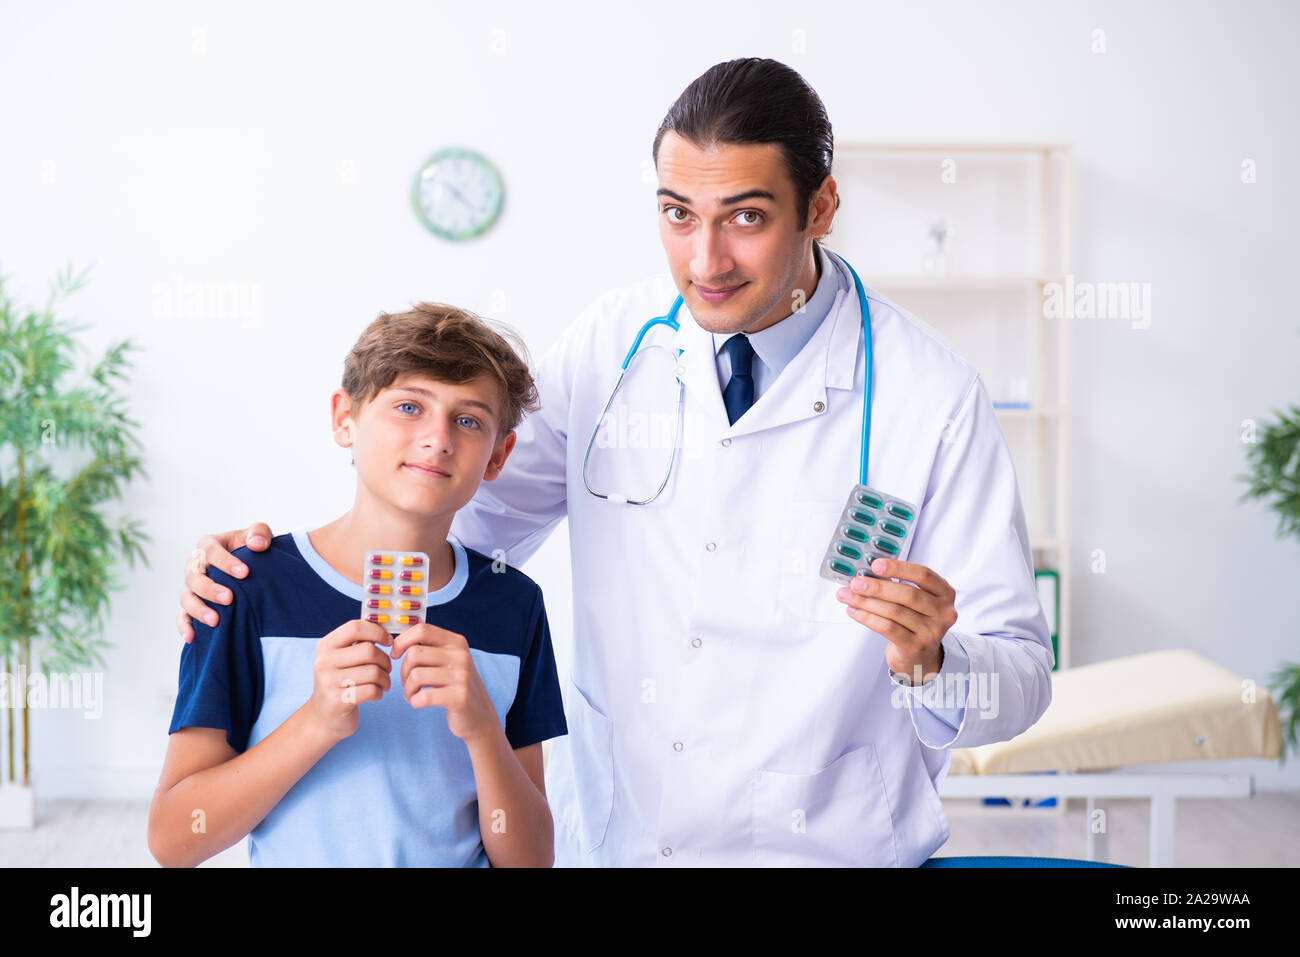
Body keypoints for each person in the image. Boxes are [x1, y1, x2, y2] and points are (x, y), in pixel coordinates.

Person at [176, 58, 1053, 867]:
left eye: (745, 218)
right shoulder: (612, 344)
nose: (703, 262)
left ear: (820, 207)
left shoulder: (932, 395)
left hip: (827, 845)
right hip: (627, 838)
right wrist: (271, 568)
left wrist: (934, 662)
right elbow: (454, 516)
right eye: (678, 214)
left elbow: (1020, 679)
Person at [150, 304, 567, 867]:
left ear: (498, 455)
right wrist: (316, 721)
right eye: (408, 407)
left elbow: (531, 860)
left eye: (468, 420)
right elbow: (174, 840)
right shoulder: (247, 587)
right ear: (344, 417)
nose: (437, 439)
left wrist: (484, 729)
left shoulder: (514, 606)